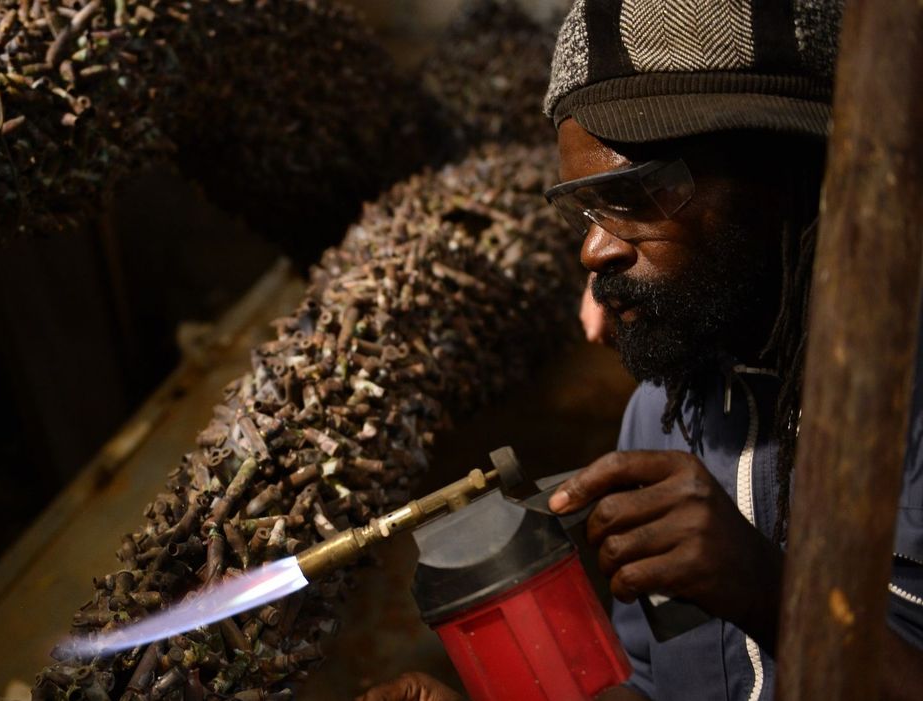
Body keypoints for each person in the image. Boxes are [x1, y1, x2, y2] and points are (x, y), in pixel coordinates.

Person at [360, 1, 923, 699]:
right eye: (586, 208)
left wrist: (773, 596)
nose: (594, 247)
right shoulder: (660, 414)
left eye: (639, 193)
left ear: (791, 174)